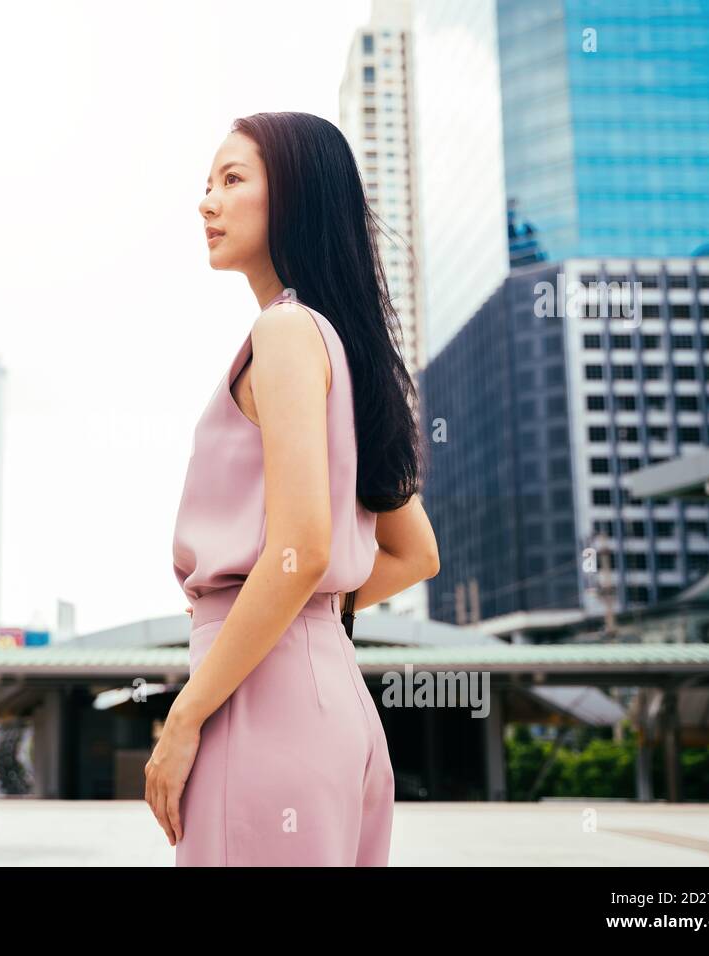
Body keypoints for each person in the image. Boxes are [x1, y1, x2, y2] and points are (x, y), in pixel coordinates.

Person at [146, 111, 439, 866]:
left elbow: (302, 549)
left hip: (262, 706)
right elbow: (413, 555)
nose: (206, 202)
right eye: (205, 185)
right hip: (330, 702)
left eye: (233, 179)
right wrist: (305, 618)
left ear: (297, 196)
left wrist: (184, 718)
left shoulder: (284, 334)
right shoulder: (345, 350)